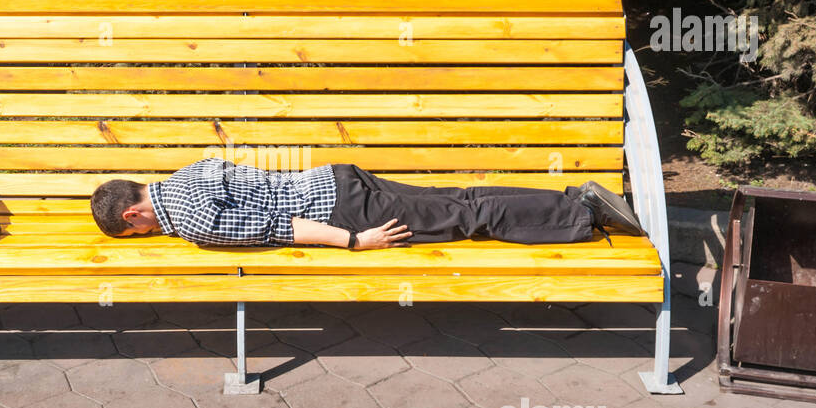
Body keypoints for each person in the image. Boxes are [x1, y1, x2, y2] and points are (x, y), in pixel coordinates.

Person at [89, 158, 645, 250]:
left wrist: (355, 241)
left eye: (138, 233)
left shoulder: (186, 220)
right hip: (336, 176)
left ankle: (584, 215)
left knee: (469, 218)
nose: (148, 235)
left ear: (133, 214)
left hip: (343, 213)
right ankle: (574, 198)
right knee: (462, 198)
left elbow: (276, 226)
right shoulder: (185, 174)